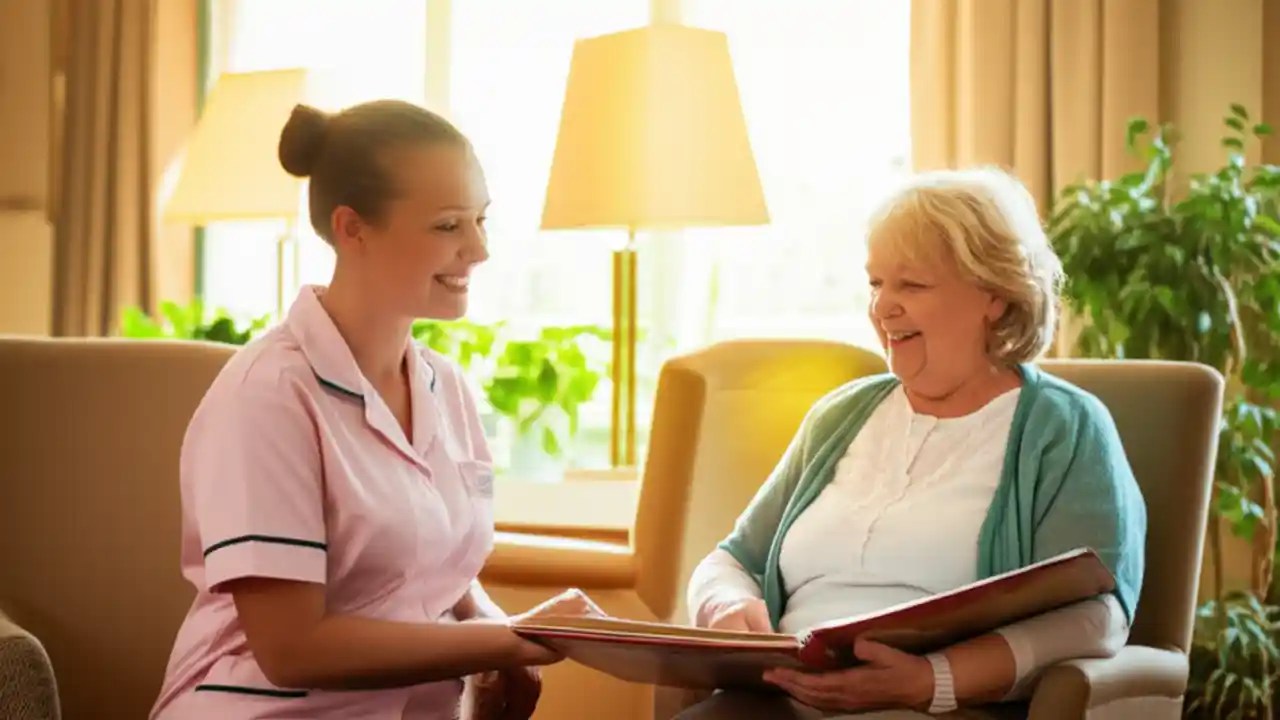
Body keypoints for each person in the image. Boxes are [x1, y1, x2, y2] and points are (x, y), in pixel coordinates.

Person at [149, 99, 597, 720]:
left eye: (480, 220)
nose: (479, 249)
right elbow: (292, 649)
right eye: (448, 226)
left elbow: (428, 565)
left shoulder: (447, 388)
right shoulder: (269, 394)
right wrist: (517, 639)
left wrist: (500, 638)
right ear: (352, 228)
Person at [677, 167, 1147, 719]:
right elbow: (731, 560)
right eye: (876, 283)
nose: (881, 307)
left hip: (933, 710)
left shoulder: (1064, 426)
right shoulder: (840, 415)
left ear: (994, 295)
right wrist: (725, 605)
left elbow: (1095, 616)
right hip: (779, 700)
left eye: (912, 285)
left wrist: (931, 681)